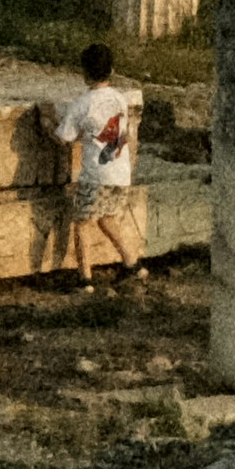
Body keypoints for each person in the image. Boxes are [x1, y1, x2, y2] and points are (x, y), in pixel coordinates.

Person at [44, 53, 146, 291]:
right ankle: (133, 264)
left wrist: (48, 124)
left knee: (82, 223)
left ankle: (85, 279)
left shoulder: (83, 103)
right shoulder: (120, 99)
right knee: (107, 218)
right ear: (111, 70)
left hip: (96, 175)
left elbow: (63, 138)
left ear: (84, 73)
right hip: (120, 172)